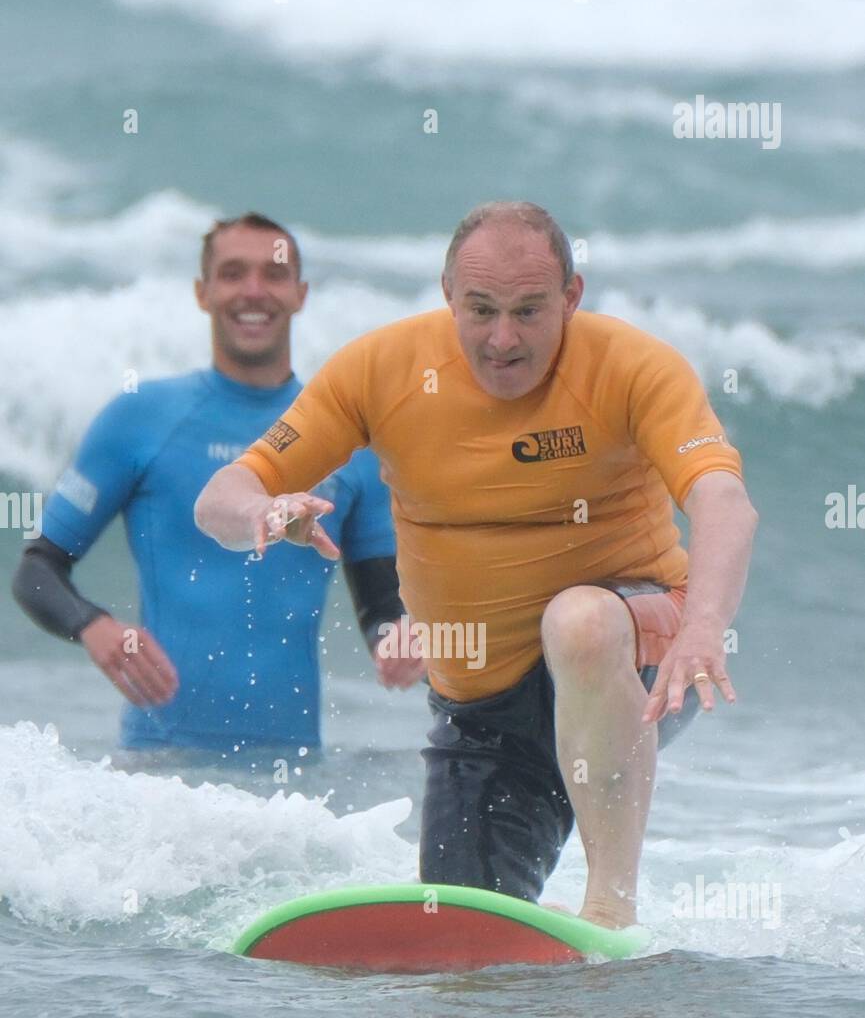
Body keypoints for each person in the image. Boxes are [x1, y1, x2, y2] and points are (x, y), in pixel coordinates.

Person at [194, 201, 758, 927]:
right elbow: (221, 496)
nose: (502, 339)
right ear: (446, 295)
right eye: (481, 309)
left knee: (578, 623)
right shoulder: (382, 369)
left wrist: (704, 626)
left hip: (638, 652)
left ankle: (611, 912)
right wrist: (260, 514)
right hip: (484, 713)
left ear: (571, 297)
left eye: (528, 311)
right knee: (465, 953)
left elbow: (722, 500)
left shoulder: (629, 366)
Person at [13, 213, 419, 757]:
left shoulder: (349, 439)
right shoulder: (141, 418)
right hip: (158, 768)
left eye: (273, 275)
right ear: (203, 293)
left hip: (294, 781)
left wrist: (398, 641)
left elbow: (380, 606)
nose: (254, 291)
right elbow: (37, 567)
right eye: (233, 273)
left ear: (300, 294)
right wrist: (95, 626)